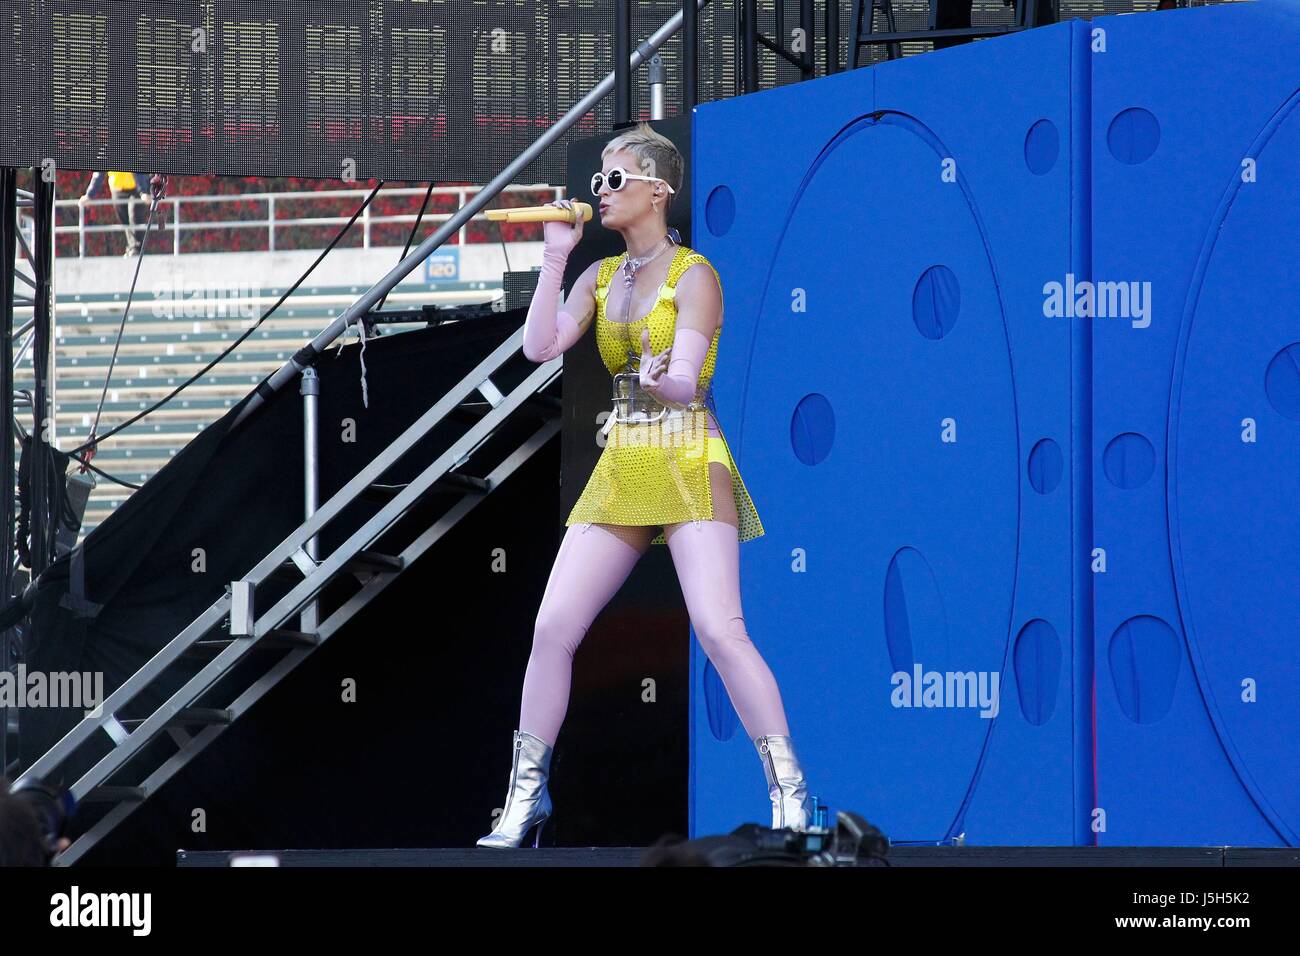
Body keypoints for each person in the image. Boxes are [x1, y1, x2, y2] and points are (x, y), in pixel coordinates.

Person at [476, 122, 815, 849]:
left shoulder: (696, 274)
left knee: (720, 631)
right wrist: (555, 257)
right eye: (599, 180)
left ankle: (790, 790)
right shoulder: (601, 278)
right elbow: (540, 347)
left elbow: (689, 382)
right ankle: (525, 797)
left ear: (659, 189)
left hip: (689, 456)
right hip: (625, 457)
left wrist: (666, 380)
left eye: (616, 178)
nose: (601, 191)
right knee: (552, 627)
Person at [79, 171, 149, 256]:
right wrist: (89, 195)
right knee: (124, 219)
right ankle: (131, 248)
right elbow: (99, 173)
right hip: (117, 187)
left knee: (134, 215)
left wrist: (143, 192)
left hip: (135, 187)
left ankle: (136, 249)